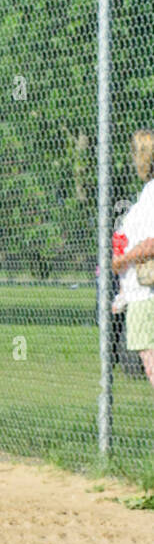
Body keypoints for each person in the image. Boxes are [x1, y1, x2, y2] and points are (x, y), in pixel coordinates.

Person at [112, 129, 154, 390]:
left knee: (151, 362)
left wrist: (122, 260)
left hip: (145, 295)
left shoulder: (151, 194)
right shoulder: (147, 193)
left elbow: (151, 243)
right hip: (137, 294)